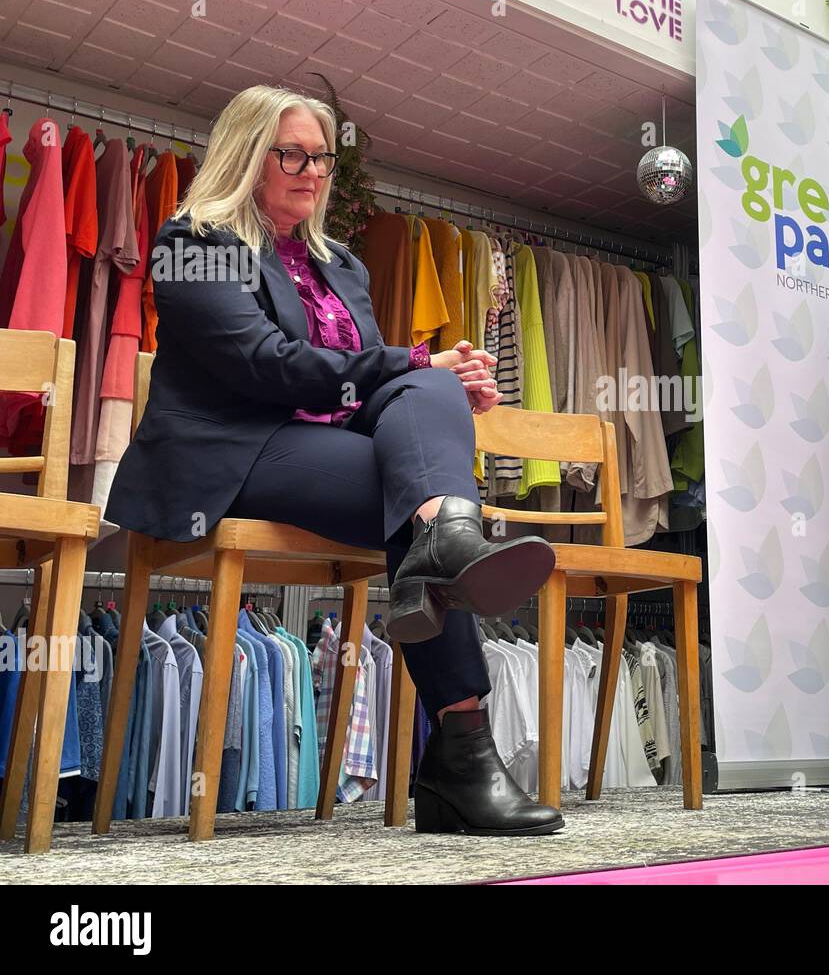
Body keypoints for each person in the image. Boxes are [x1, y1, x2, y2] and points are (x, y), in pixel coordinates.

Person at [106, 84, 563, 836]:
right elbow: (264, 364)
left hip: (325, 445)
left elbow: (360, 386)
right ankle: (461, 759)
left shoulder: (340, 262)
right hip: (230, 452)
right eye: (292, 153)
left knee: (424, 427)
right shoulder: (194, 244)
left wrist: (430, 378)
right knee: (416, 443)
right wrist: (417, 362)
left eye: (321, 157)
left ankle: (444, 541)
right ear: (247, 154)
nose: (312, 171)